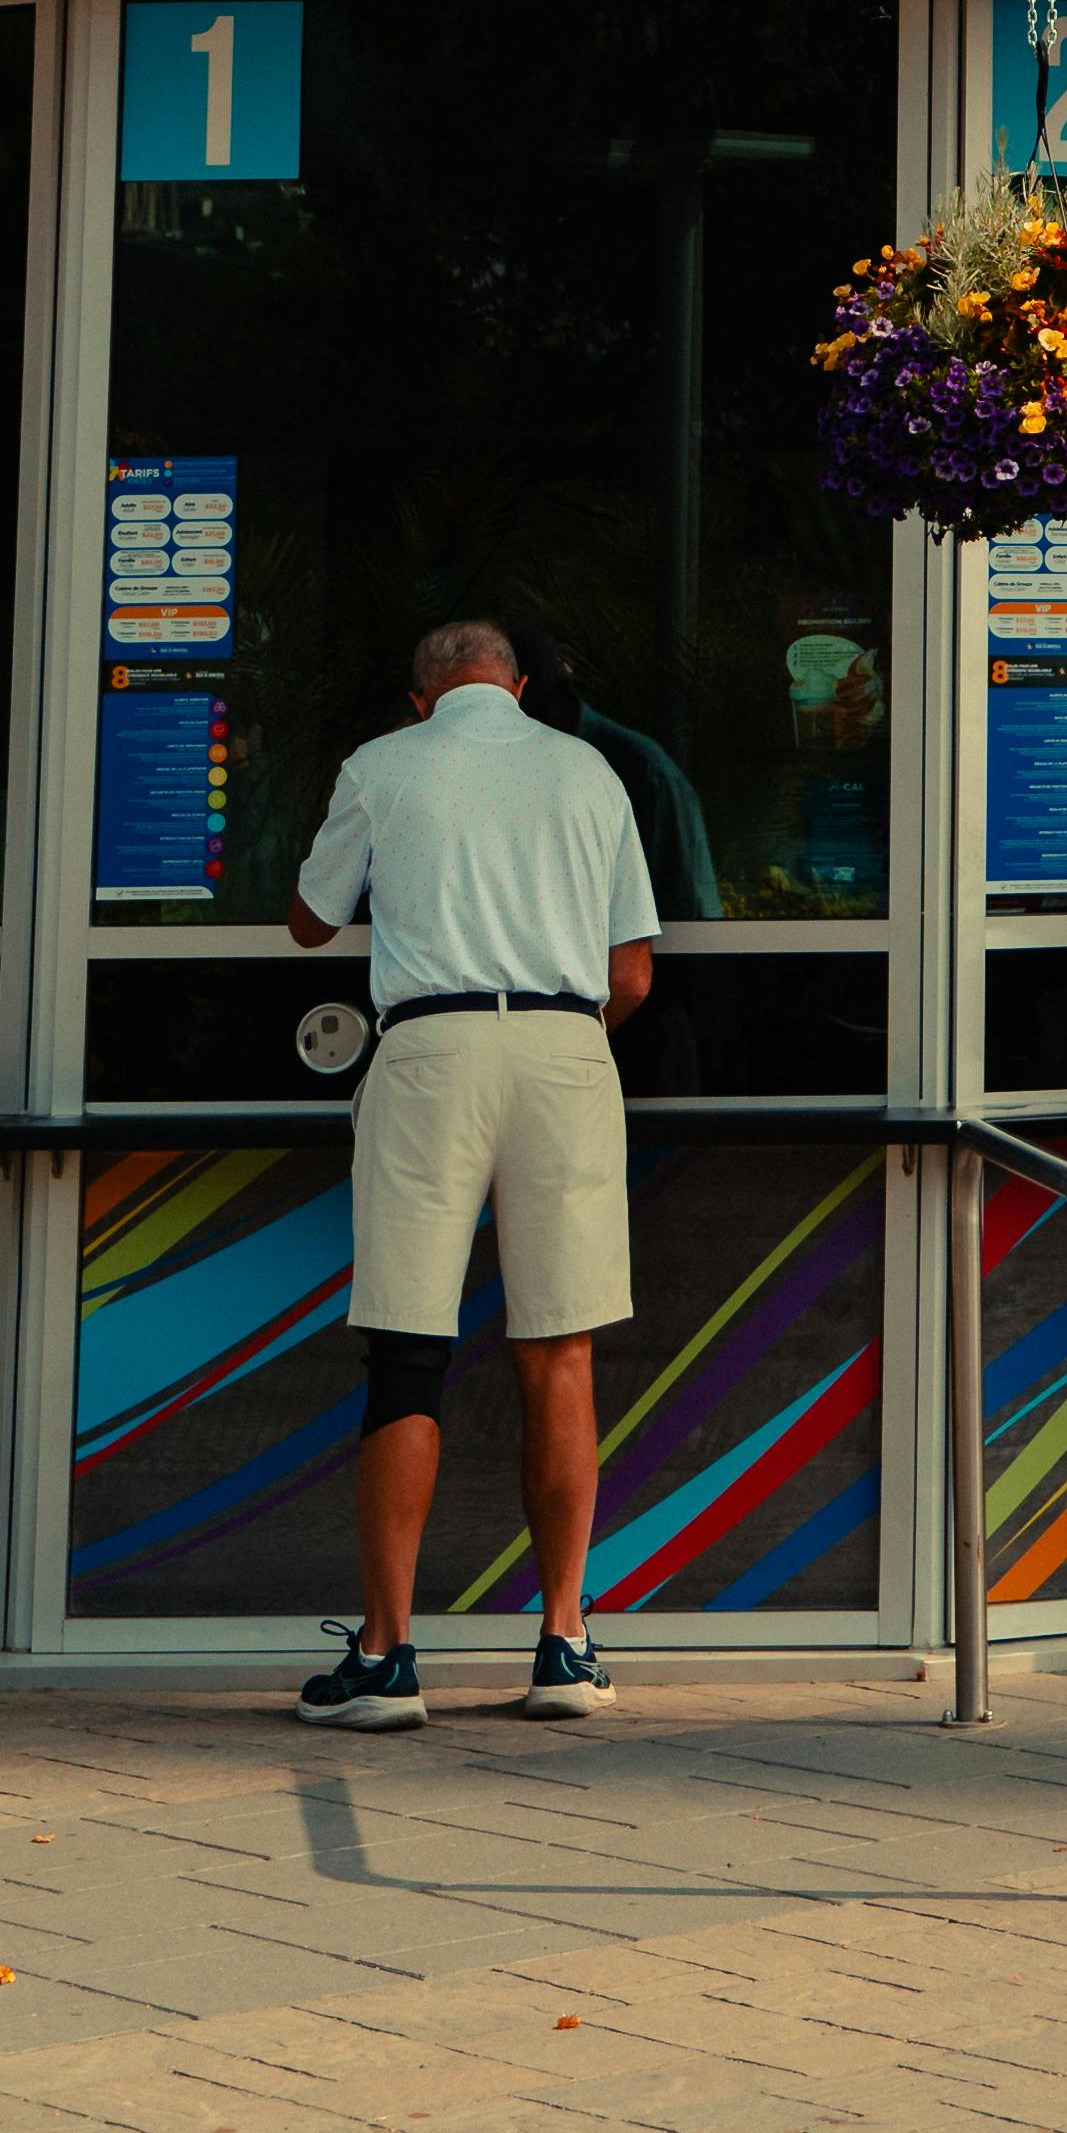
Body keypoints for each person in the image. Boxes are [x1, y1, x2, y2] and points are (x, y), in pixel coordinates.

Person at [285, 613, 658, 1731]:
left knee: (407, 1346)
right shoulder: (588, 770)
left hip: (430, 1049)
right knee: (560, 1348)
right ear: (522, 686)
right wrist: (561, 1034)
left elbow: (310, 924)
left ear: (422, 698)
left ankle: (387, 1657)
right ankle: (564, 1645)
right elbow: (633, 975)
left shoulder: (382, 764)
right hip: (564, 1049)